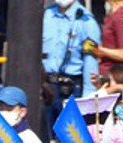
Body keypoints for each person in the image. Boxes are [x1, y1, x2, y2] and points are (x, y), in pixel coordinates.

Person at [41, 0, 101, 134]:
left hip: (71, 88)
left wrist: (87, 101)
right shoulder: (46, 15)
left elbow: (90, 64)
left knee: (68, 141)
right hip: (45, 86)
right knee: (44, 137)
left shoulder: (86, 21)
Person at [95, 0, 123, 77]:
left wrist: (99, 49)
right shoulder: (113, 11)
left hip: (112, 75)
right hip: (106, 70)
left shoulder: (119, 18)